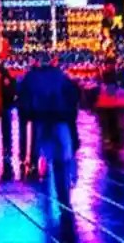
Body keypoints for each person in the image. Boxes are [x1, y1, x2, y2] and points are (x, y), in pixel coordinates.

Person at [17, 54, 80, 205]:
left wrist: (28, 116)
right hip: (60, 119)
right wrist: (70, 115)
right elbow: (73, 94)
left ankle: (50, 179)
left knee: (50, 153)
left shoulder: (31, 77)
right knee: (64, 154)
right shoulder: (60, 76)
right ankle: (68, 182)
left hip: (42, 119)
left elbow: (22, 96)